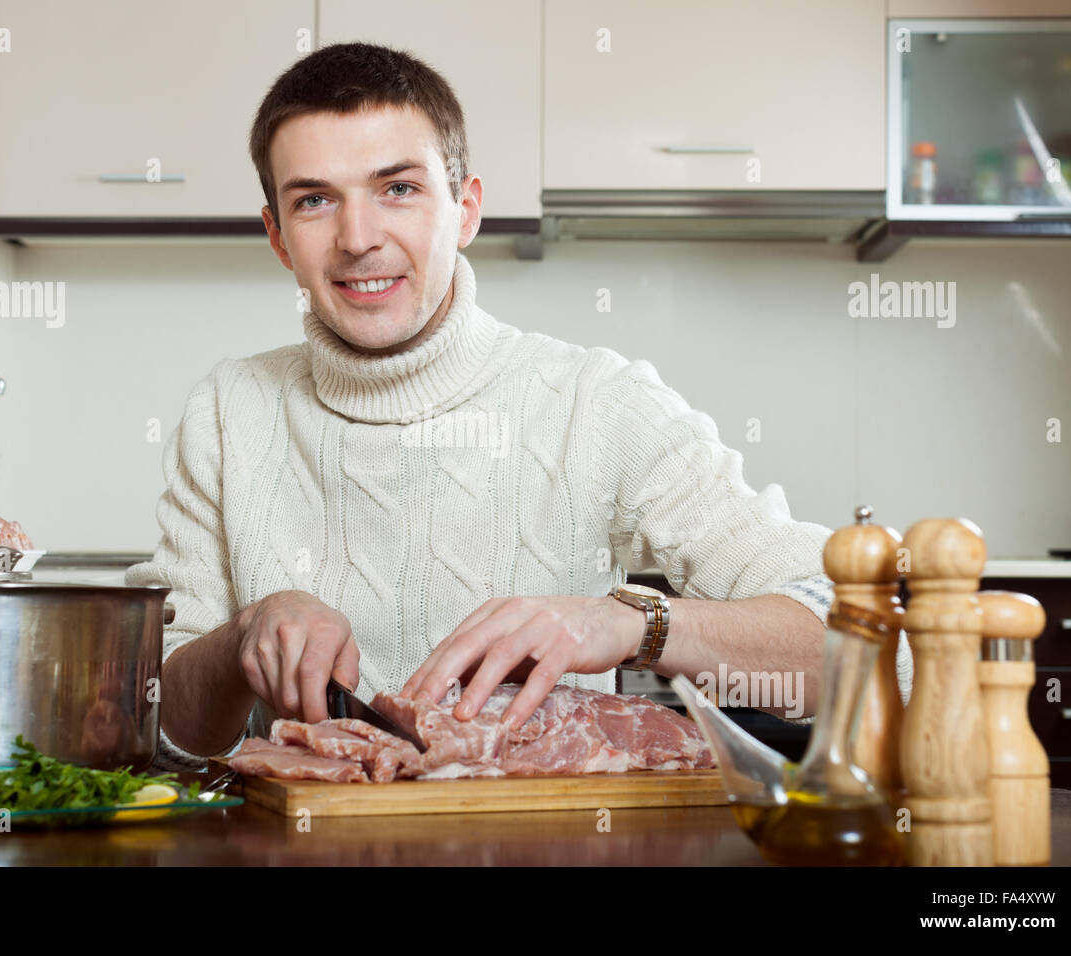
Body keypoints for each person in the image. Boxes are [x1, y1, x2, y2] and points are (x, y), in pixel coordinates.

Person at [126, 42, 839, 770]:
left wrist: (631, 624)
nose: (359, 238)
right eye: (315, 200)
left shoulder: (597, 402)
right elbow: (156, 733)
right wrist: (243, 634)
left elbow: (871, 650)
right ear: (277, 236)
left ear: (465, 209)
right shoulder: (228, 412)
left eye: (397, 189)